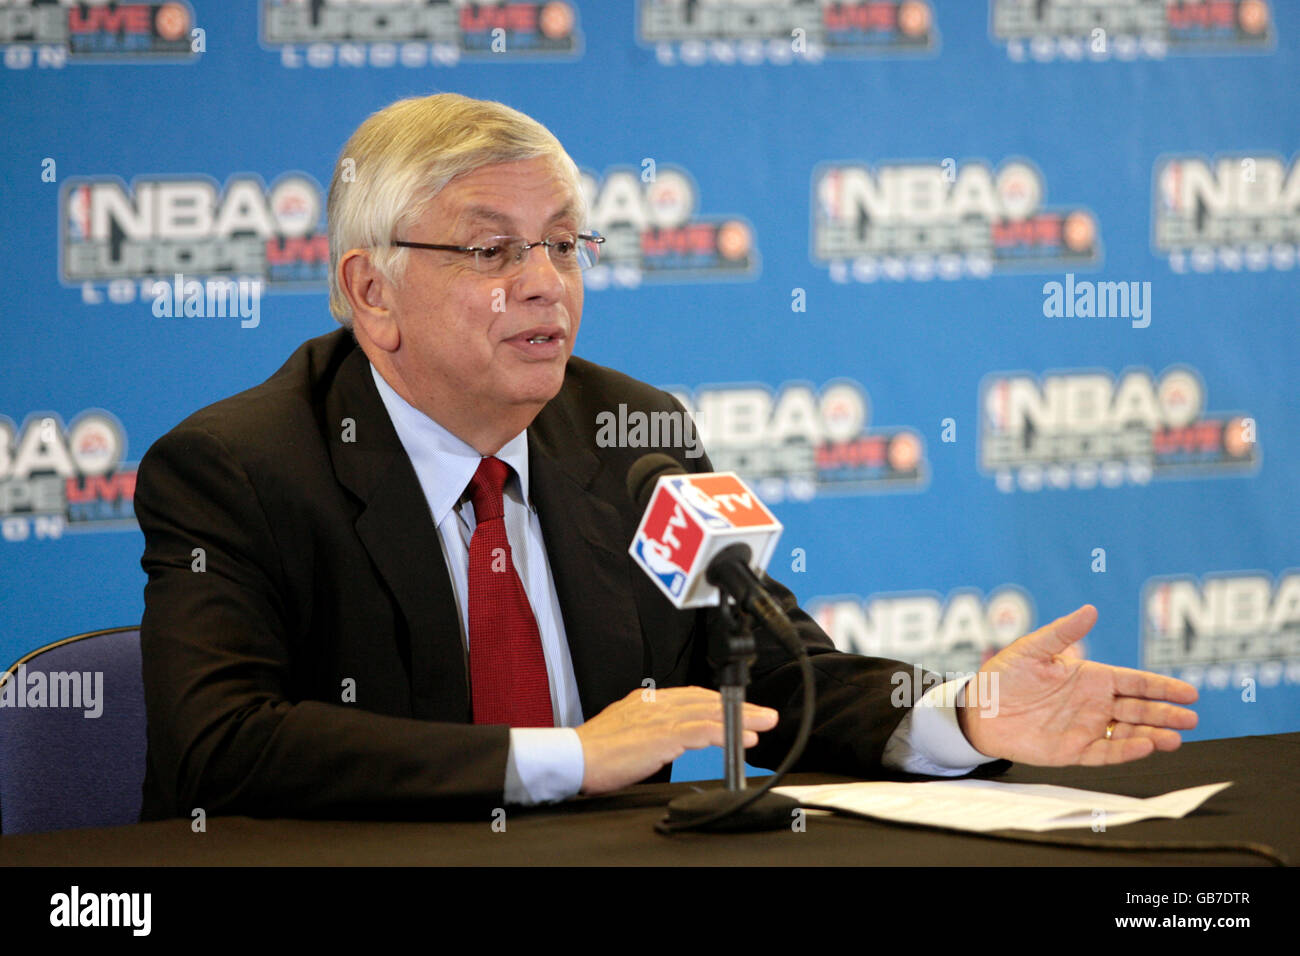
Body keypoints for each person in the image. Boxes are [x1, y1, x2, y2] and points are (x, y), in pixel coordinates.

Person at [134, 93, 1197, 821]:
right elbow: (218, 745)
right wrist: (570, 758)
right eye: (493, 248)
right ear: (372, 292)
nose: (546, 280)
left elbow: (777, 675)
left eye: (561, 241)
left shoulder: (627, 434)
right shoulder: (239, 468)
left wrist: (962, 712)